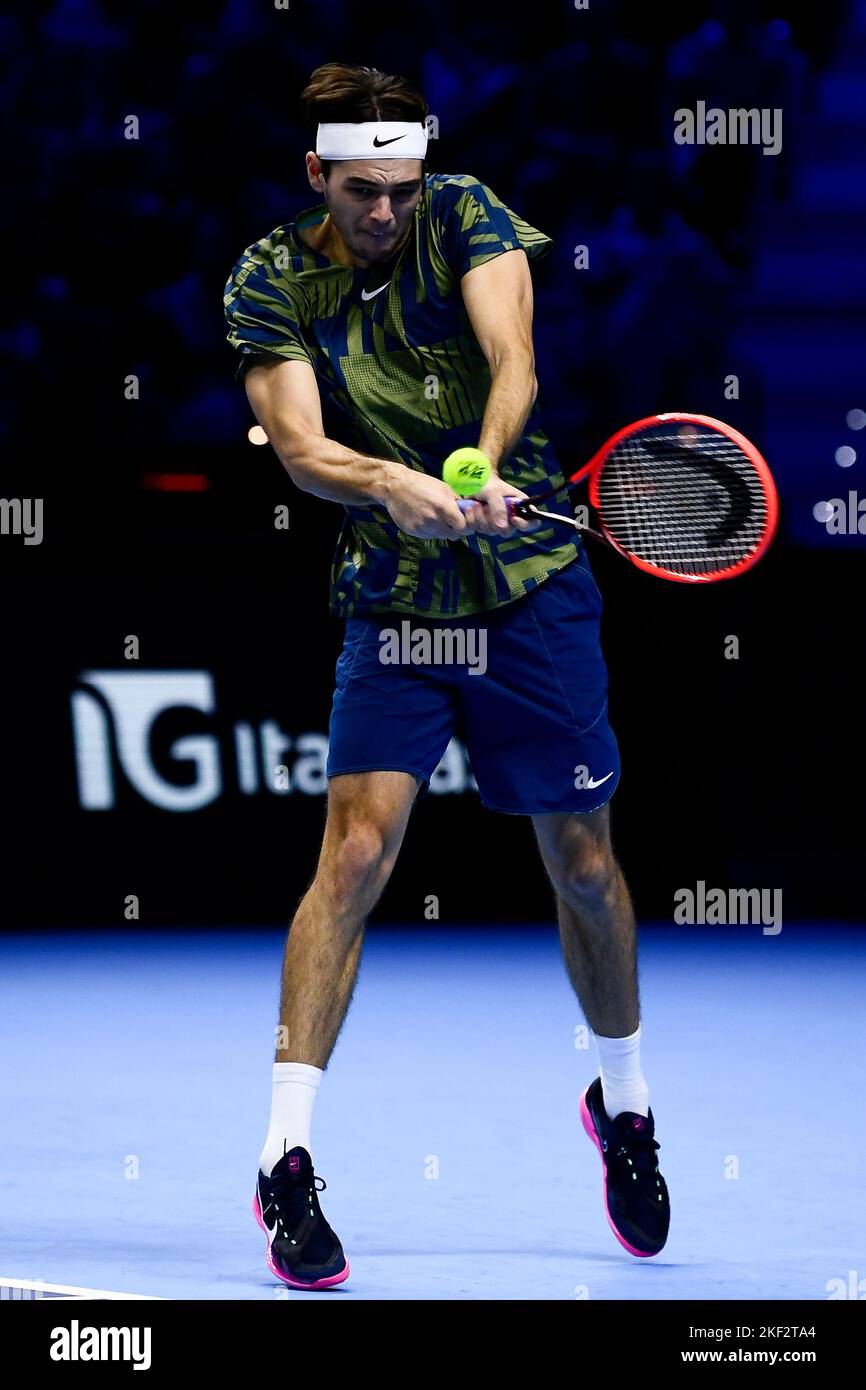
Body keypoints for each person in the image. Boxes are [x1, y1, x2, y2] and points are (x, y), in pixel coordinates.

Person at [224, 61, 669, 1290]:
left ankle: (621, 1106)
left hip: (530, 588)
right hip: (392, 598)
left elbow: (511, 358)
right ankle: (284, 1159)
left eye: (401, 189)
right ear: (316, 175)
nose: (387, 213)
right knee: (355, 854)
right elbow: (306, 451)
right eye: (362, 192)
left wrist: (474, 463)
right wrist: (392, 484)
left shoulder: (463, 211)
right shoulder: (269, 276)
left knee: (582, 864)